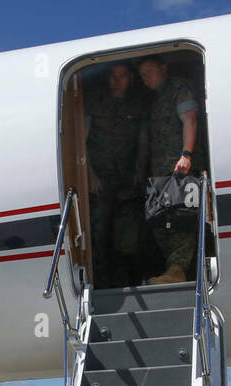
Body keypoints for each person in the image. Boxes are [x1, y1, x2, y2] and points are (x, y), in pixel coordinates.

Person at [84, 62, 149, 287]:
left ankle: (133, 279)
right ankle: (103, 283)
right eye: (113, 76)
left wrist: (140, 172)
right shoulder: (95, 102)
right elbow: (80, 140)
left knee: (131, 233)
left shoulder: (138, 103)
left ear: (130, 78)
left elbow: (142, 140)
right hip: (100, 180)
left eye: (121, 77)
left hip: (128, 179)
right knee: (100, 232)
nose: (117, 81)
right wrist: (90, 175)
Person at [140, 57, 200, 285]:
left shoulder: (178, 88)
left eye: (150, 71)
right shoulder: (156, 99)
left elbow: (189, 118)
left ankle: (177, 271)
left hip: (179, 171)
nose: (146, 78)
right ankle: (173, 270)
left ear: (164, 68)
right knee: (160, 223)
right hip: (161, 175)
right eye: (142, 75)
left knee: (180, 222)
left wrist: (186, 154)